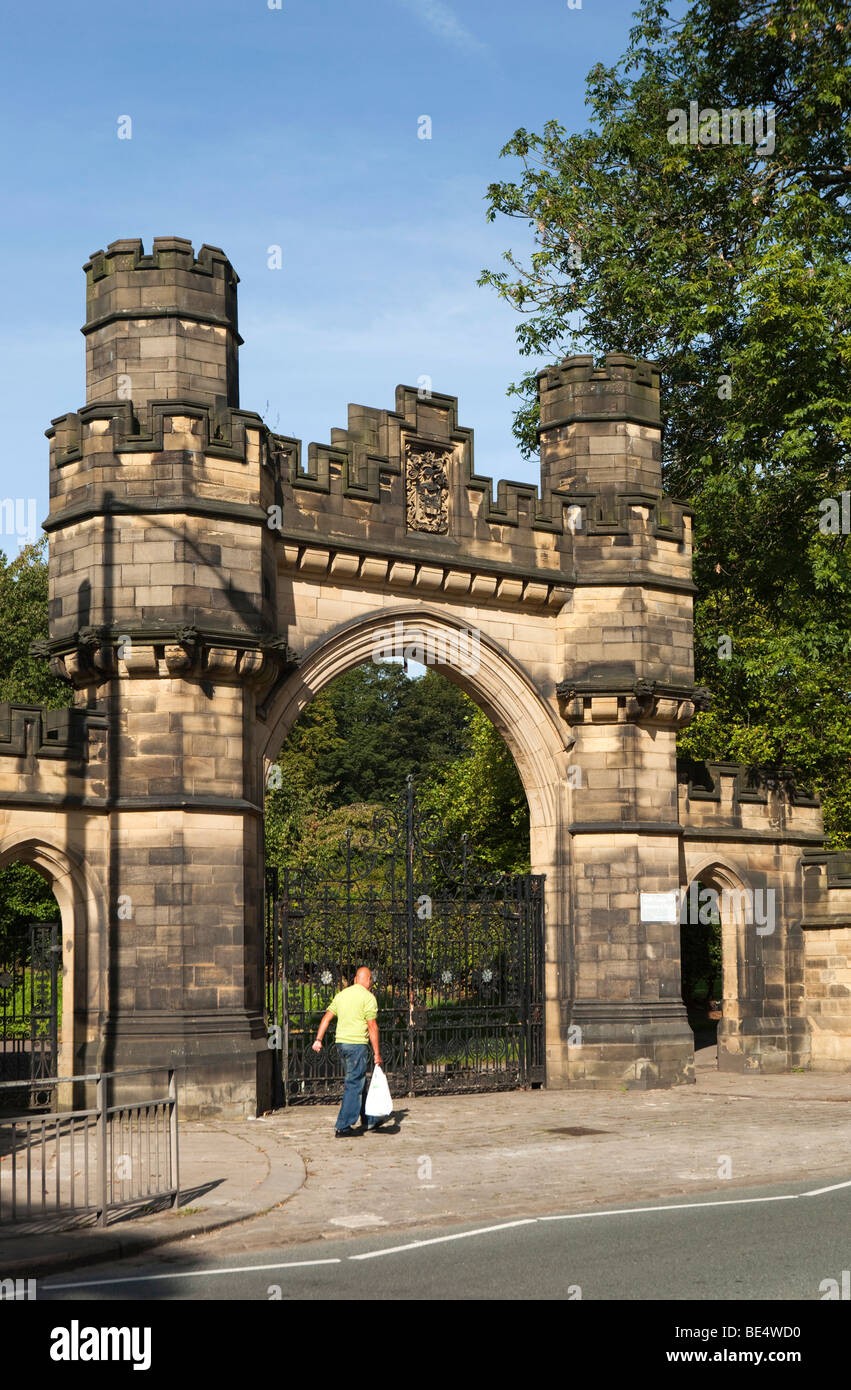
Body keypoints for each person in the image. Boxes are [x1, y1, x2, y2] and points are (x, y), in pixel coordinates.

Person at [312, 966, 391, 1136]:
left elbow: (326, 1018)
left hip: (341, 1045)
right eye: (371, 980)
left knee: (358, 1080)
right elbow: (372, 1026)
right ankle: (343, 1125)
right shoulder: (368, 998)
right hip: (357, 1046)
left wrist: (318, 1039)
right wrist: (377, 1053)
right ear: (369, 980)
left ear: (355, 979)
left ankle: (369, 1119)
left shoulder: (342, 995)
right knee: (354, 1084)